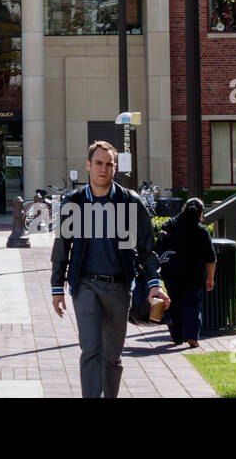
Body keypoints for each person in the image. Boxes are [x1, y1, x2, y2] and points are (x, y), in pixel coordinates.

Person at [50, 141, 169, 398]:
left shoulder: (130, 203)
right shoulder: (75, 203)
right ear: (88, 166)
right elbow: (62, 248)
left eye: (109, 164)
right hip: (86, 287)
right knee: (91, 350)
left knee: (112, 357)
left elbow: (147, 250)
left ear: (115, 168)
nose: (103, 169)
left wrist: (154, 285)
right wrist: (57, 287)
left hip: (119, 287)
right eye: (98, 164)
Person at [155, 197, 216, 348]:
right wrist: (210, 278)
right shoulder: (201, 230)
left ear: (183, 209)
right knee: (193, 305)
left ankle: (176, 336)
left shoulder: (171, 224)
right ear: (201, 213)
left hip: (171, 272)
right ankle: (192, 337)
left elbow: (160, 240)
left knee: (174, 304)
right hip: (194, 275)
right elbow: (211, 258)